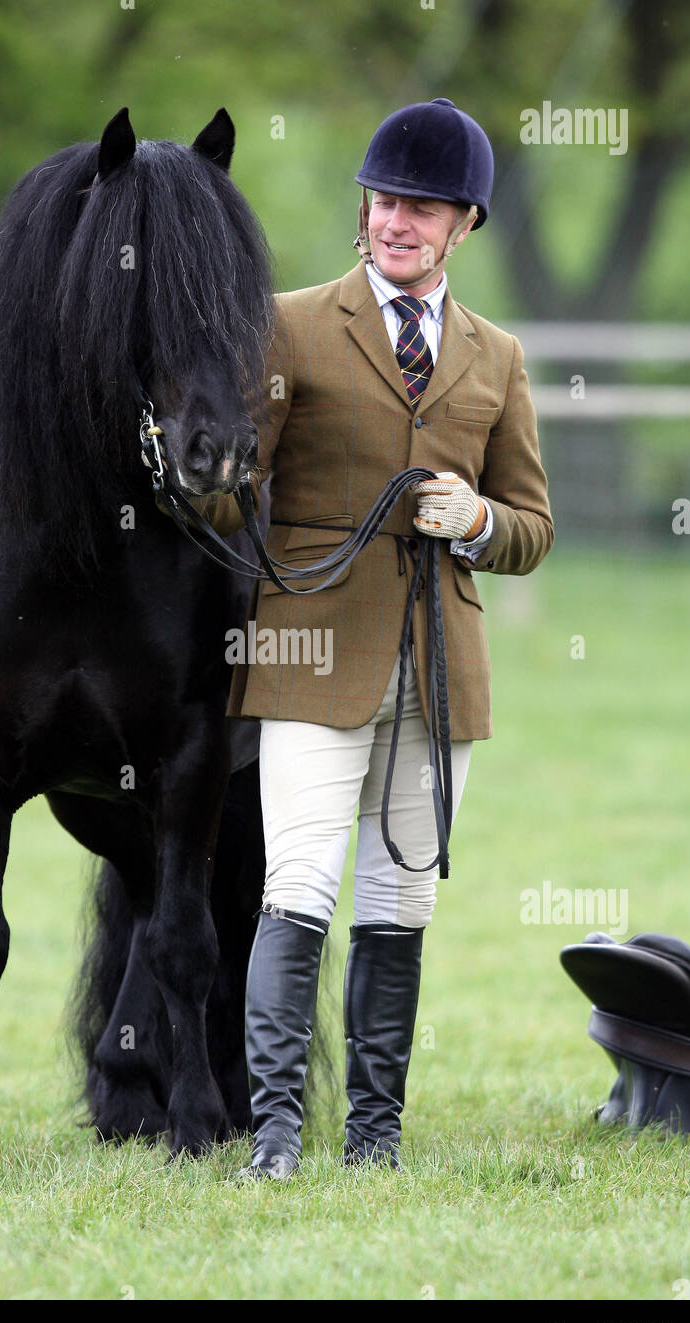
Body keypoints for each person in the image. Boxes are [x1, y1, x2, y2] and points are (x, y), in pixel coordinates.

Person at [179, 98, 554, 1177]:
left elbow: (531, 527)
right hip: (309, 654)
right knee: (296, 885)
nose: (396, 221)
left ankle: (375, 1138)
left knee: (400, 902)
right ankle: (278, 1137)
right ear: (364, 207)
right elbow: (228, 496)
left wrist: (477, 521)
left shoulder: (498, 356)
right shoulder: (289, 324)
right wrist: (205, 471)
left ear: (462, 225)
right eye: (384, 200)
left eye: (421, 208)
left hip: (439, 664)